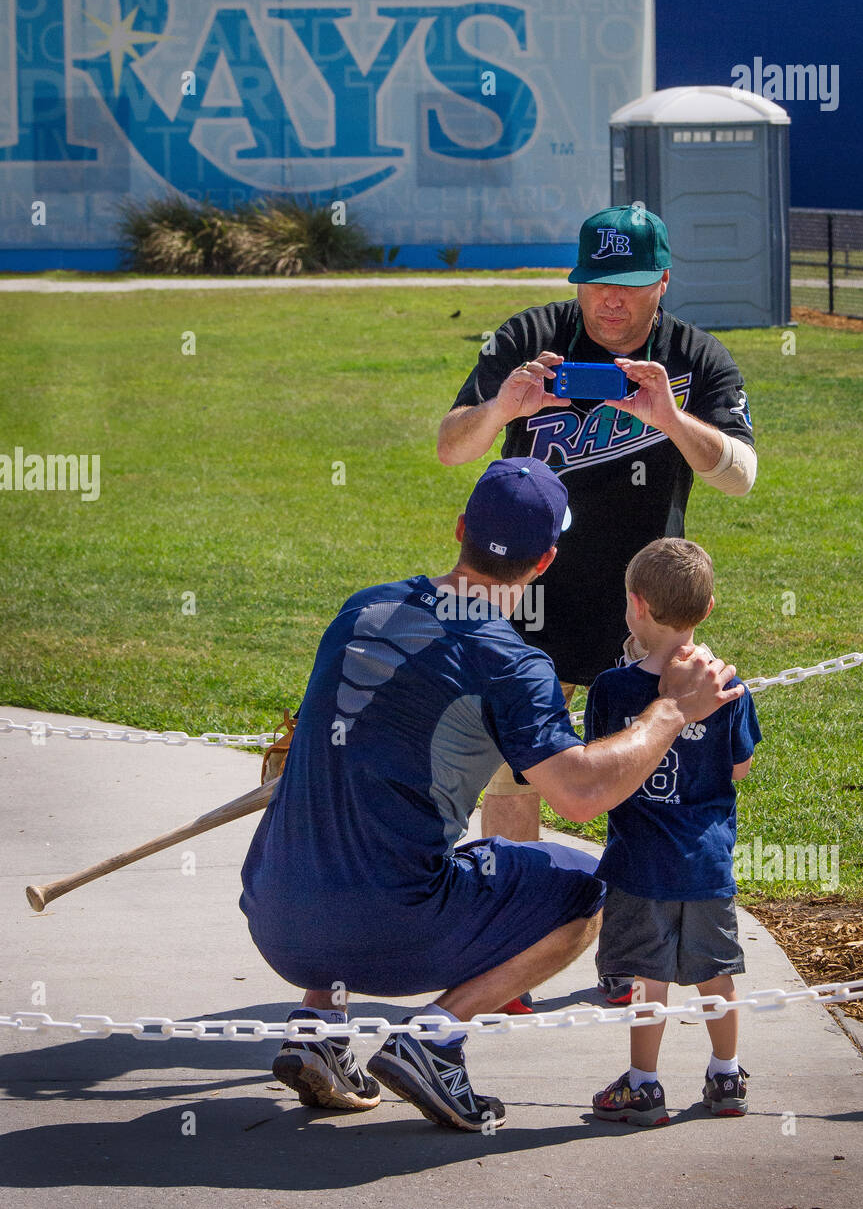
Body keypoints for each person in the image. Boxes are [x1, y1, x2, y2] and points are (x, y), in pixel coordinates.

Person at [240, 459, 745, 1133]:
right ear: (545, 561)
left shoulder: (362, 609)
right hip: (382, 930)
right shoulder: (510, 664)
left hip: (274, 915)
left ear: (459, 530)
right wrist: (673, 710)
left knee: (357, 825)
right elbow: (581, 794)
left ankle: (319, 1028)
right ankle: (435, 1039)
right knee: (589, 887)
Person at [438, 204, 757, 845]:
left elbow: (740, 474)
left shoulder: (693, 356)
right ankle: (514, 908)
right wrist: (503, 406)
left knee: (648, 765)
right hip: (526, 588)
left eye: (631, 283)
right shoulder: (530, 336)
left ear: (663, 280)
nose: (610, 301)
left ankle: (642, 908)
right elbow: (452, 446)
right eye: (597, 282)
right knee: (511, 773)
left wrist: (669, 416)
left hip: (644, 601)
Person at [585, 538, 761, 1126]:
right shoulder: (727, 686)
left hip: (641, 865)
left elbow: (602, 762)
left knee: (647, 979)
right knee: (718, 974)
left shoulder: (612, 689)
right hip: (707, 862)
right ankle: (726, 1075)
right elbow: (739, 766)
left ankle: (643, 1085)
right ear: (707, 608)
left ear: (636, 606)